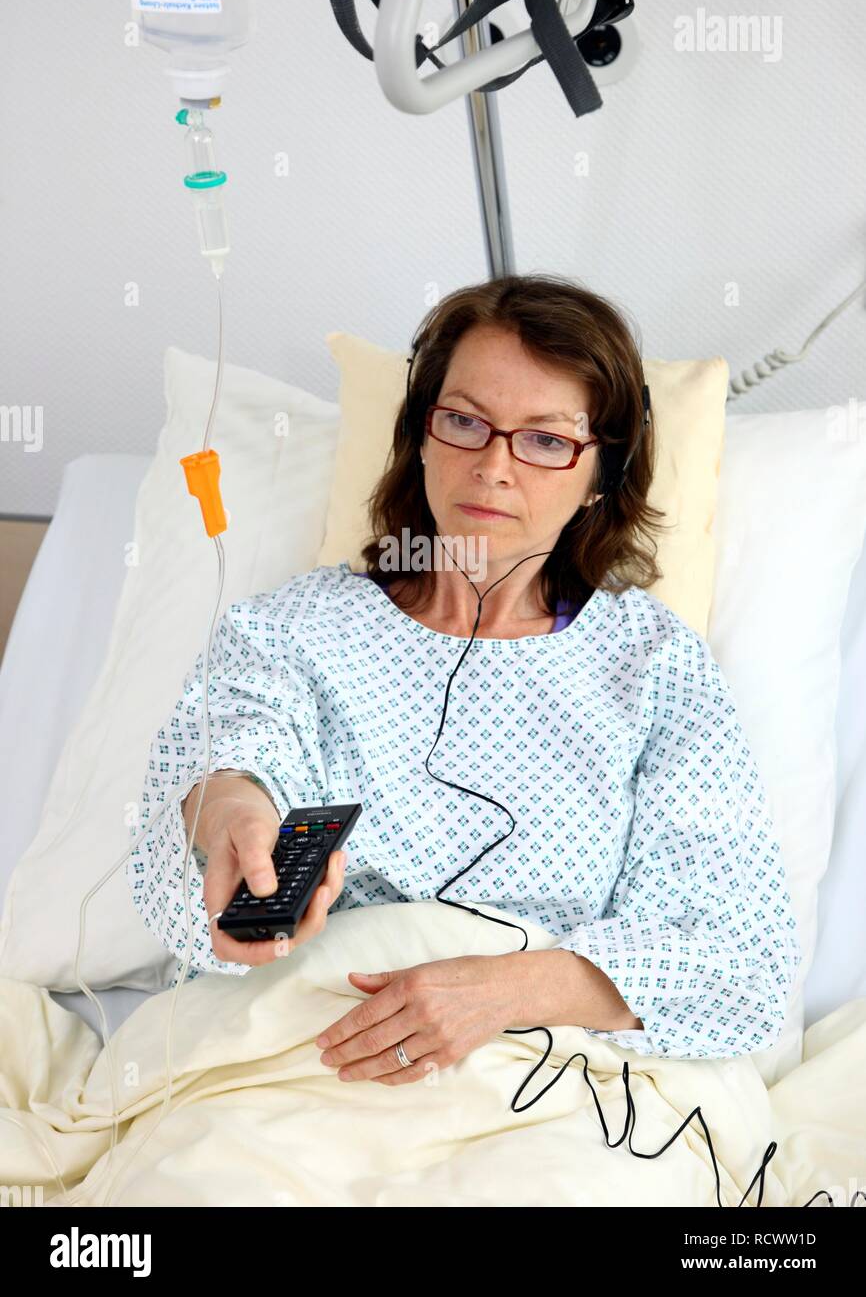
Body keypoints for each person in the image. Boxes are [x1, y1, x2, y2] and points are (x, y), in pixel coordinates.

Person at [127, 273, 802, 1072]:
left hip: (544, 1077)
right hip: (302, 1051)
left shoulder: (651, 664)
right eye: (464, 422)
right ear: (421, 432)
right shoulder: (293, 629)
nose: (494, 467)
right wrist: (230, 813)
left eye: (549, 439)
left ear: (602, 477)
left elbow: (737, 952)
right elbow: (234, 751)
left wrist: (505, 993)